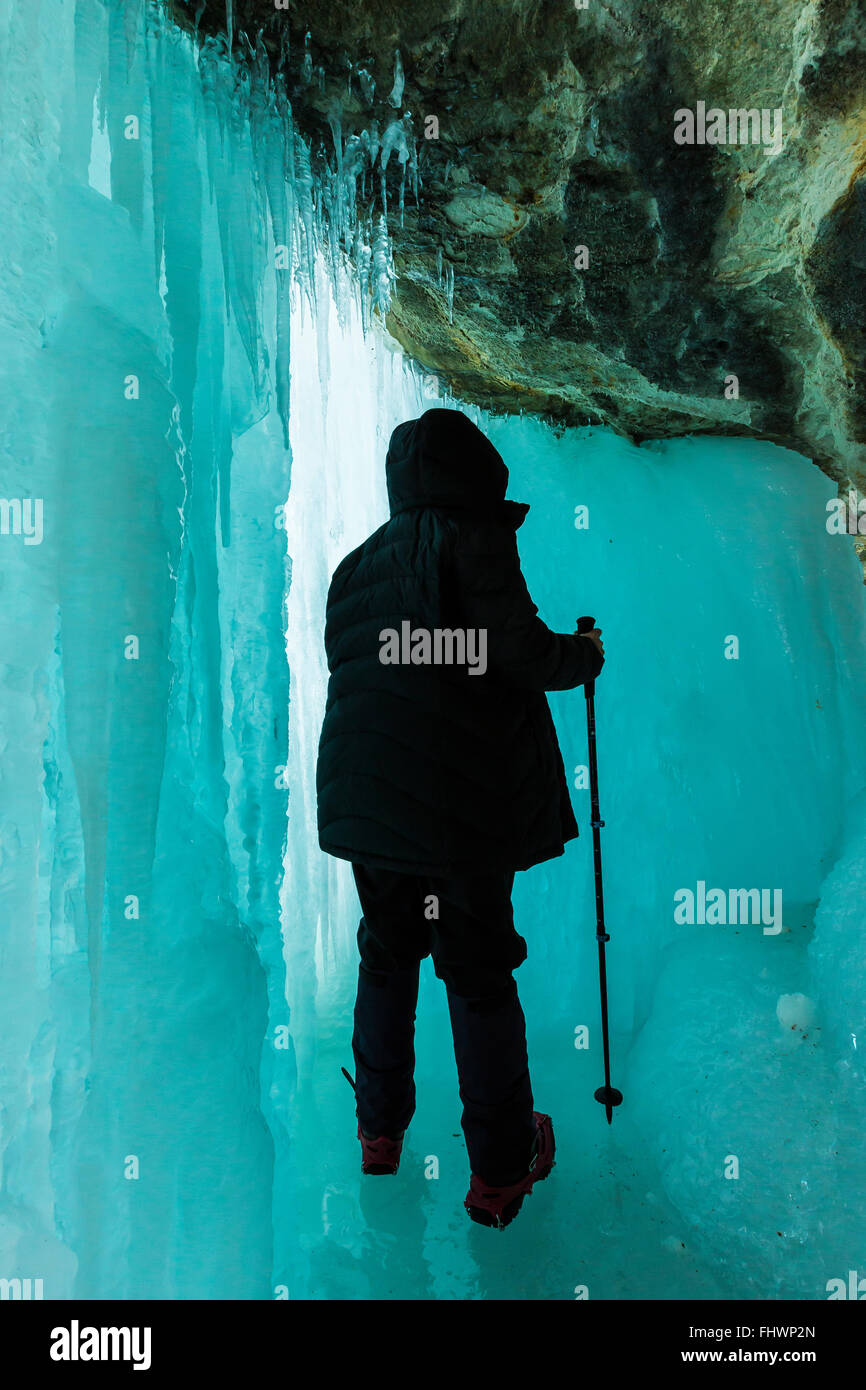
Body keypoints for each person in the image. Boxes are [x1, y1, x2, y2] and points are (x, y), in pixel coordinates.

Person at [316, 407, 604, 1229]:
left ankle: (378, 1133)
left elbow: (369, 673)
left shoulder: (355, 567)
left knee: (387, 956)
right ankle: (502, 1169)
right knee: (476, 972)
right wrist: (583, 654)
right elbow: (519, 652)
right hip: (456, 811)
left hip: (368, 806)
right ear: (474, 477)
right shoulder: (474, 540)